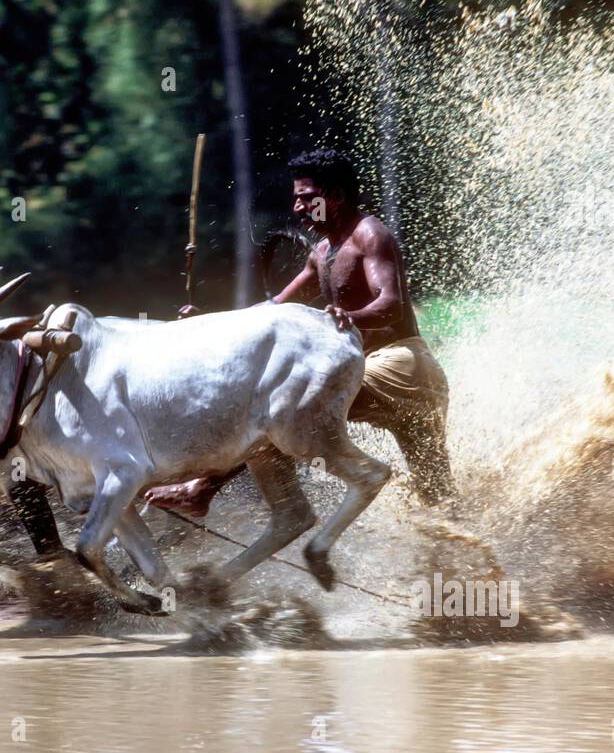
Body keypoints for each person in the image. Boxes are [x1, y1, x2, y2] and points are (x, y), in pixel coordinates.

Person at [145, 147, 454, 515]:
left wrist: (350, 316)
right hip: (364, 367)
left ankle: (201, 489)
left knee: (288, 408)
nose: (298, 208)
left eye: (308, 199)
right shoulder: (321, 252)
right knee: (440, 504)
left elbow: (391, 305)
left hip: (404, 367)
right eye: (296, 199)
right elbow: (272, 309)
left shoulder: (370, 234)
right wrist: (207, 322)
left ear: (336, 196)